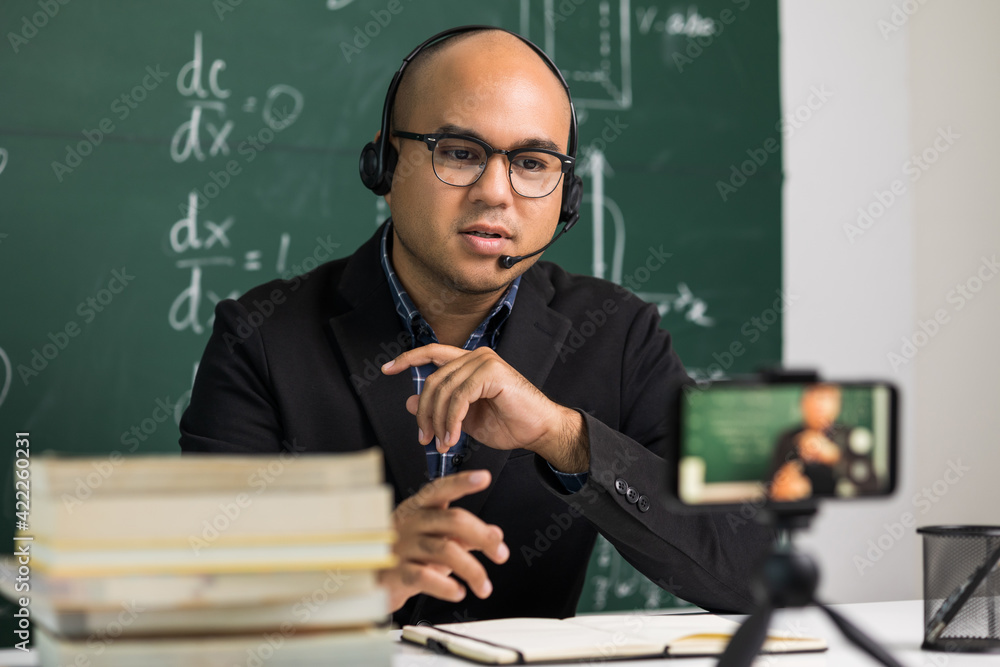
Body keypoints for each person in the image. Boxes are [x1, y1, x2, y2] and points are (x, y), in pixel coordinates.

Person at [179, 26, 774, 626]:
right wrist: (357, 579)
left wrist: (564, 437)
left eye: (533, 163)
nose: (496, 193)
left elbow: (751, 562)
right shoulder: (259, 335)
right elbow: (204, 596)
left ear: (566, 198)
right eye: (459, 153)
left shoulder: (619, 333)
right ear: (385, 163)